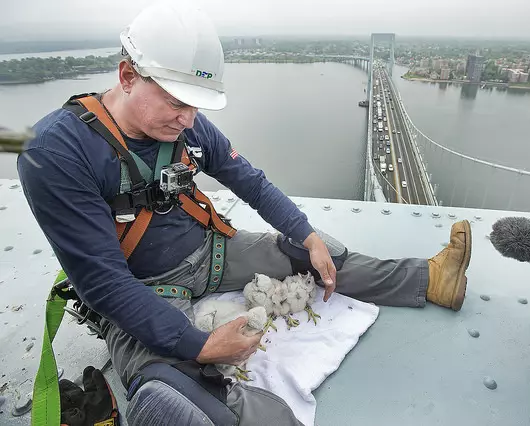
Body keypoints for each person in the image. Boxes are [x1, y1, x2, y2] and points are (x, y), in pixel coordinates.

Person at [17, 2, 472, 425]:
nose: (188, 119)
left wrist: (306, 235)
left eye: (195, 105)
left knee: (313, 253)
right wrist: (200, 344)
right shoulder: (57, 151)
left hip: (210, 252)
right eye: (177, 102)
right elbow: (103, 283)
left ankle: (429, 279)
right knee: (170, 387)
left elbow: (248, 180)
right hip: (141, 286)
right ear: (128, 75)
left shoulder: (187, 125)